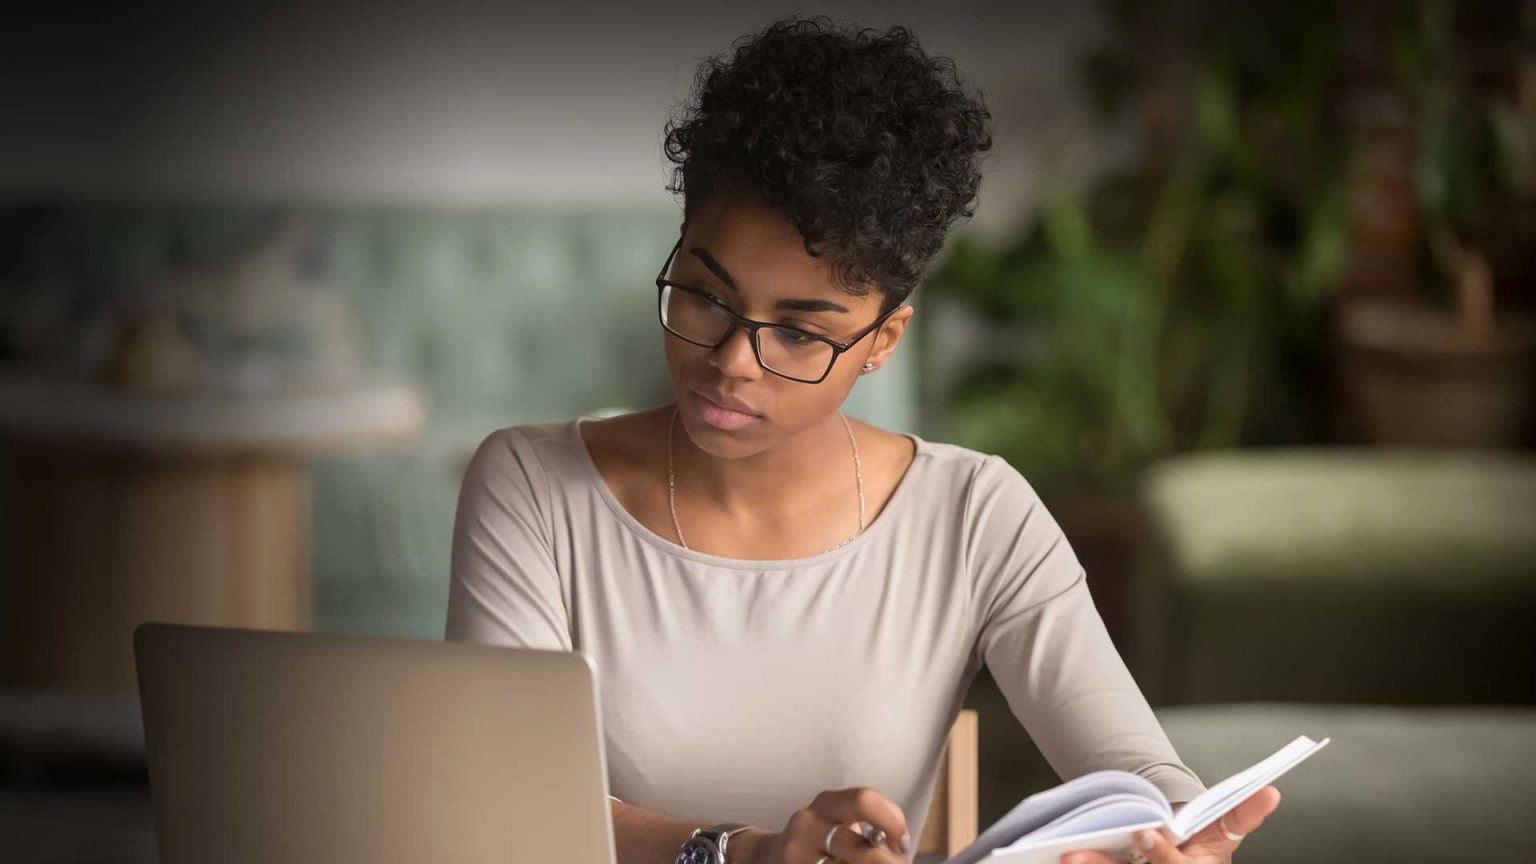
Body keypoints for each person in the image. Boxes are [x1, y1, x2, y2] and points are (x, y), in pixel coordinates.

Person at [445, 16, 1279, 864]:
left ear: (883, 341)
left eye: (802, 334)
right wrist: (745, 856)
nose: (734, 361)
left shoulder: (975, 514)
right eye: (705, 297)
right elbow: (508, 804)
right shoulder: (533, 487)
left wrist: (1179, 835)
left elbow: (1136, 769)